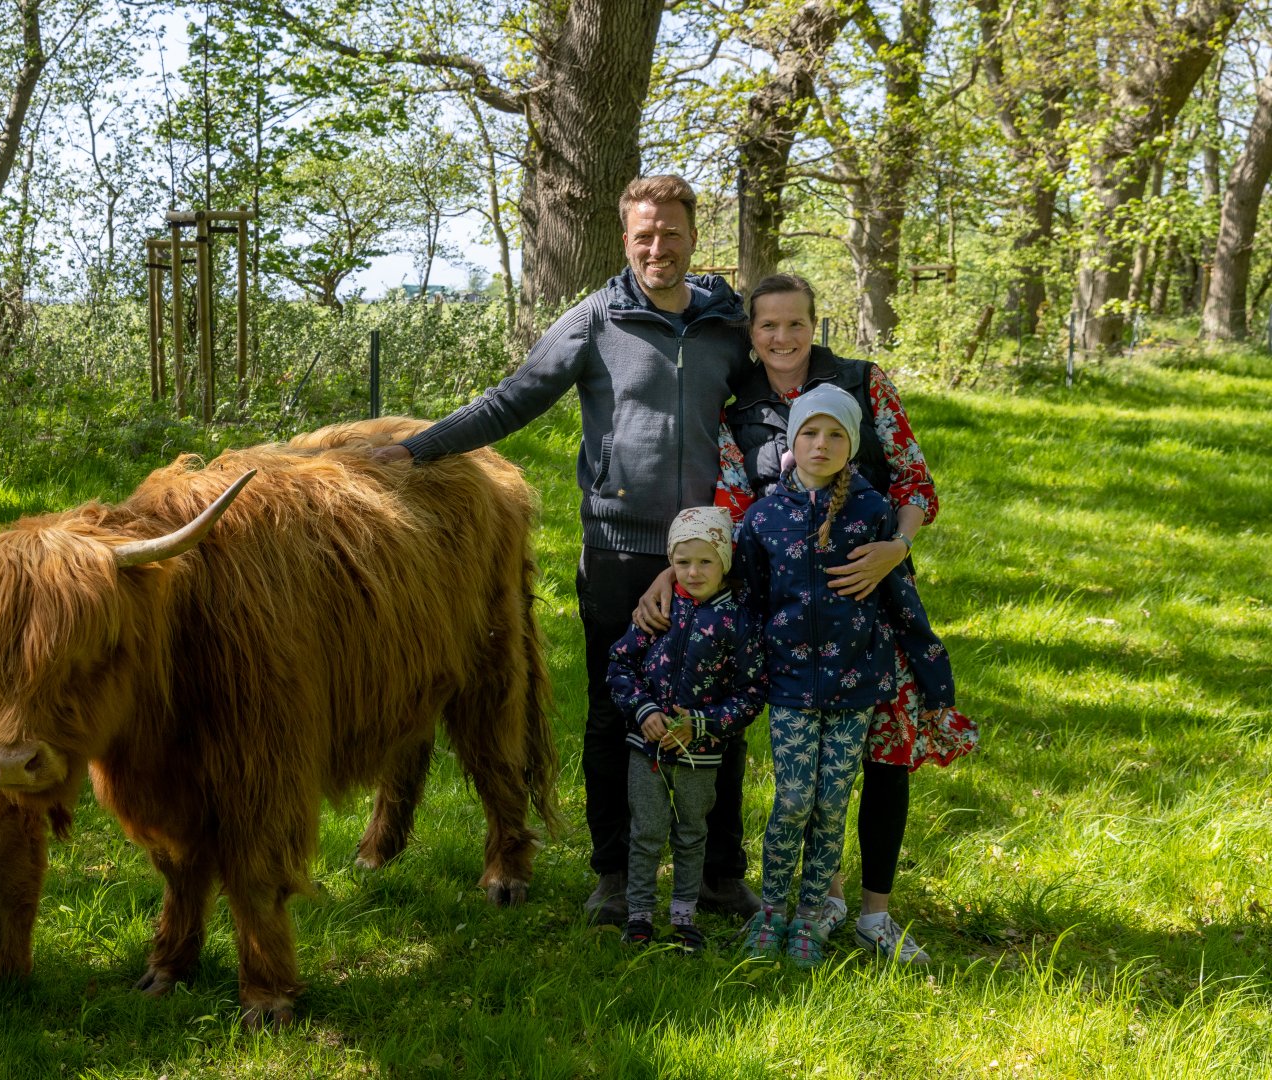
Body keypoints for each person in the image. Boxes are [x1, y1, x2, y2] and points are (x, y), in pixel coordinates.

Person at [370, 174, 760, 925]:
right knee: (617, 710)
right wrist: (419, 451)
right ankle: (615, 874)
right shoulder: (595, 320)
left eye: (671, 233)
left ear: (692, 236)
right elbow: (513, 397)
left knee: (721, 707)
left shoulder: (726, 327)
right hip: (618, 546)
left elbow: (778, 399)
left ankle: (718, 872)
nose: (658, 247)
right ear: (625, 238)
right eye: (644, 234)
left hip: (712, 552)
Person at [724, 272, 976, 962]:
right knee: (806, 784)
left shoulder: (864, 382)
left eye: (796, 323)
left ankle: (875, 913)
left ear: (816, 324)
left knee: (883, 757)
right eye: (768, 326)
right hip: (792, 621)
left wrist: (894, 548)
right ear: (752, 332)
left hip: (874, 599)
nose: (782, 337)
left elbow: (915, 479)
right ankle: (817, 903)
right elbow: (733, 505)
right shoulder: (739, 402)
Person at [604, 507, 763, 952]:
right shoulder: (659, 612)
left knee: (692, 832)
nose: (693, 573)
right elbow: (620, 665)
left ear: (725, 562)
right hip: (647, 749)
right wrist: (643, 710)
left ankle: (683, 916)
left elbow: (751, 693)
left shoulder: (736, 623)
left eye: (705, 561)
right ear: (670, 563)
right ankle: (638, 915)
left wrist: (704, 724)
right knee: (647, 831)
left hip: (700, 755)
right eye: (682, 562)